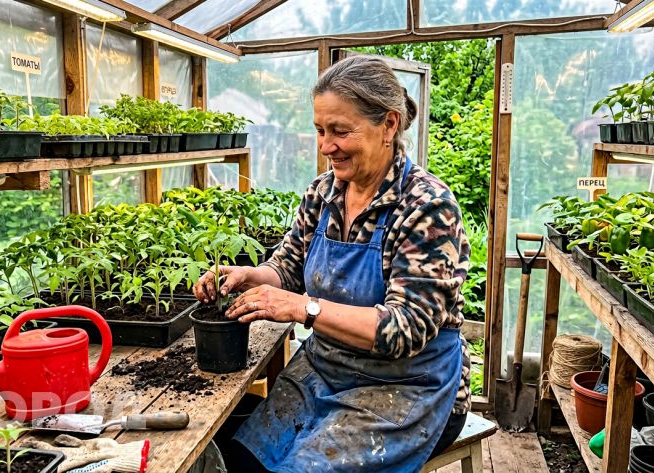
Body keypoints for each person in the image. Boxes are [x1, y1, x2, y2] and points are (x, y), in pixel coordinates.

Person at [193, 55, 472, 473]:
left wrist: (304, 307)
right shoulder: (323, 192)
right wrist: (250, 276)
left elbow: (405, 330)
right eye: (321, 131)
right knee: (242, 456)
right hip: (327, 371)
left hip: (409, 388)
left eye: (341, 131)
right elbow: (287, 266)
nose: (326, 146)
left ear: (388, 125)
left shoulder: (426, 207)